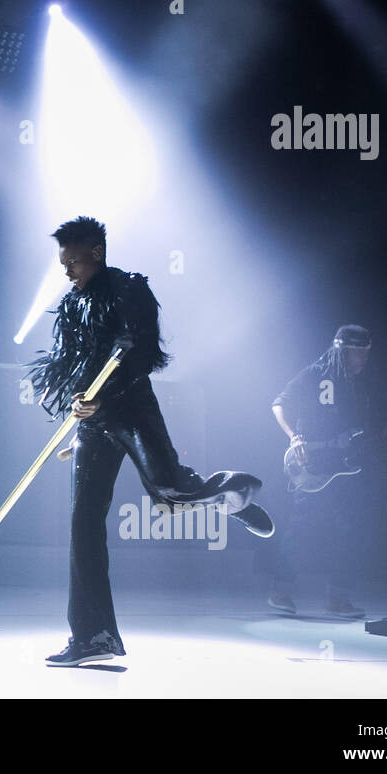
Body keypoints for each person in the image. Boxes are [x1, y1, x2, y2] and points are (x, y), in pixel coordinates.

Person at [29, 217, 273, 666]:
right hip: (92, 423)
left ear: (97, 252)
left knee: (169, 494)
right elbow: (68, 363)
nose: (68, 271)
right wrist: (77, 410)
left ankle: (230, 494)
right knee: (83, 524)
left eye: (74, 262)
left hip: (131, 409)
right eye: (63, 264)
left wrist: (101, 399)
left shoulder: (128, 290)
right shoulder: (70, 303)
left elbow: (138, 355)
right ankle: (94, 635)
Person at [269, 325, 387, 618]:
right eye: (357, 353)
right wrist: (293, 437)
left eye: (366, 353)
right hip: (315, 463)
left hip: (350, 468)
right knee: (303, 529)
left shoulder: (366, 385)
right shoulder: (314, 374)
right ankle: (280, 591)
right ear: (340, 350)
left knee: (354, 531)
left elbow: (379, 428)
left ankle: (339, 598)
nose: (362, 360)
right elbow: (279, 404)